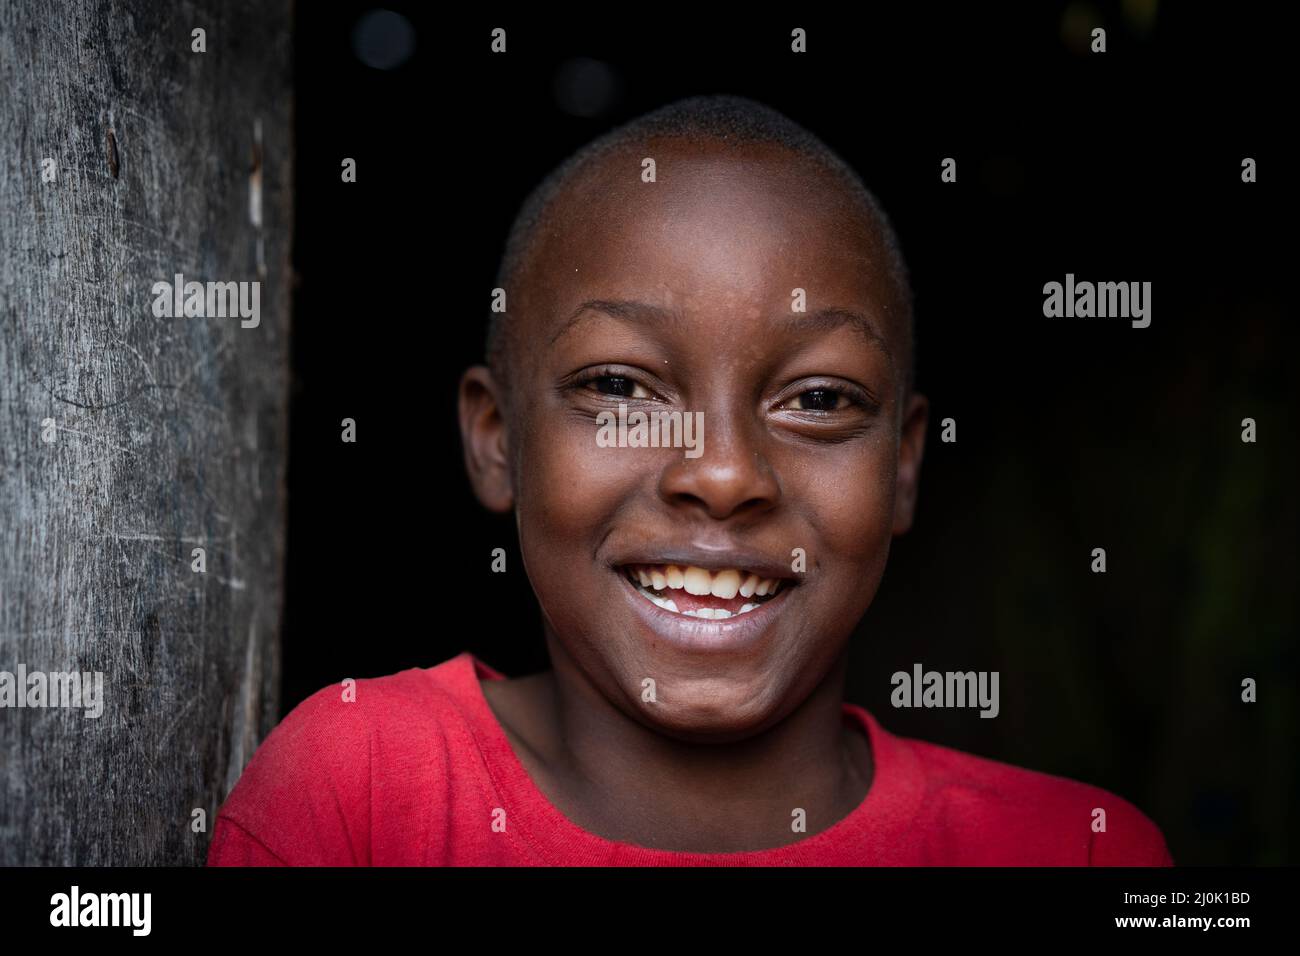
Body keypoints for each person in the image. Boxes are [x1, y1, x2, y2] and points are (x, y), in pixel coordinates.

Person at [208, 95, 1173, 866]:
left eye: (820, 398)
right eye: (620, 387)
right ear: (498, 439)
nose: (722, 474)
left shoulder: (1073, 852)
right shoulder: (365, 795)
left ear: (905, 465)